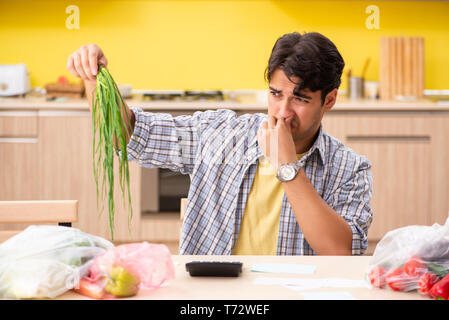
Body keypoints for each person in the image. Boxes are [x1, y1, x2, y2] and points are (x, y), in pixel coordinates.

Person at [67, 31, 374, 256]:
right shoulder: (221, 133)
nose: (283, 111)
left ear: (329, 100)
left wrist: (288, 167)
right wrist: (96, 79)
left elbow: (340, 253)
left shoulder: (349, 167)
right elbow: (131, 135)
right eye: (276, 94)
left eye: (301, 99)